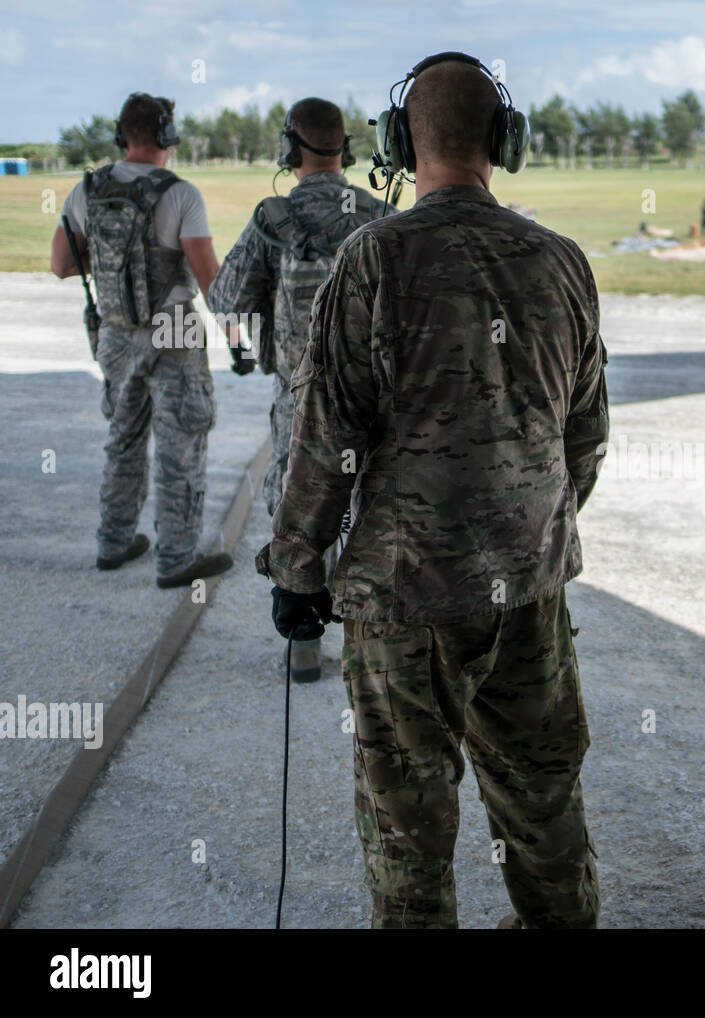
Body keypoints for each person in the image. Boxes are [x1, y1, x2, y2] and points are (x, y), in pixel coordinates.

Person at [256, 52, 608, 930]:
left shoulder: (371, 259)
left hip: (404, 598)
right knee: (543, 799)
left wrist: (297, 566)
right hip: (528, 589)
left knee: (407, 829)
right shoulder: (561, 261)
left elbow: (327, 433)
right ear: (503, 142)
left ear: (401, 148)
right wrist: (527, 523)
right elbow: (586, 435)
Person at [208, 97, 390, 683]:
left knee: (296, 510)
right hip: (373, 403)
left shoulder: (272, 218)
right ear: (346, 149)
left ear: (290, 148)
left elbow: (224, 298)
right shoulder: (379, 215)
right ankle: (372, 642)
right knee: (369, 507)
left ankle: (304, 640)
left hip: (298, 404)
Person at [50, 92, 233, 588]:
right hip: (172, 333)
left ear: (121, 135)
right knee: (181, 444)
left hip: (115, 336)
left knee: (123, 439)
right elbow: (210, 279)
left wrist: (117, 267)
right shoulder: (180, 194)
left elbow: (62, 265)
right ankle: (176, 560)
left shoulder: (85, 190)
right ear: (166, 136)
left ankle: (113, 542)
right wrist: (237, 333)